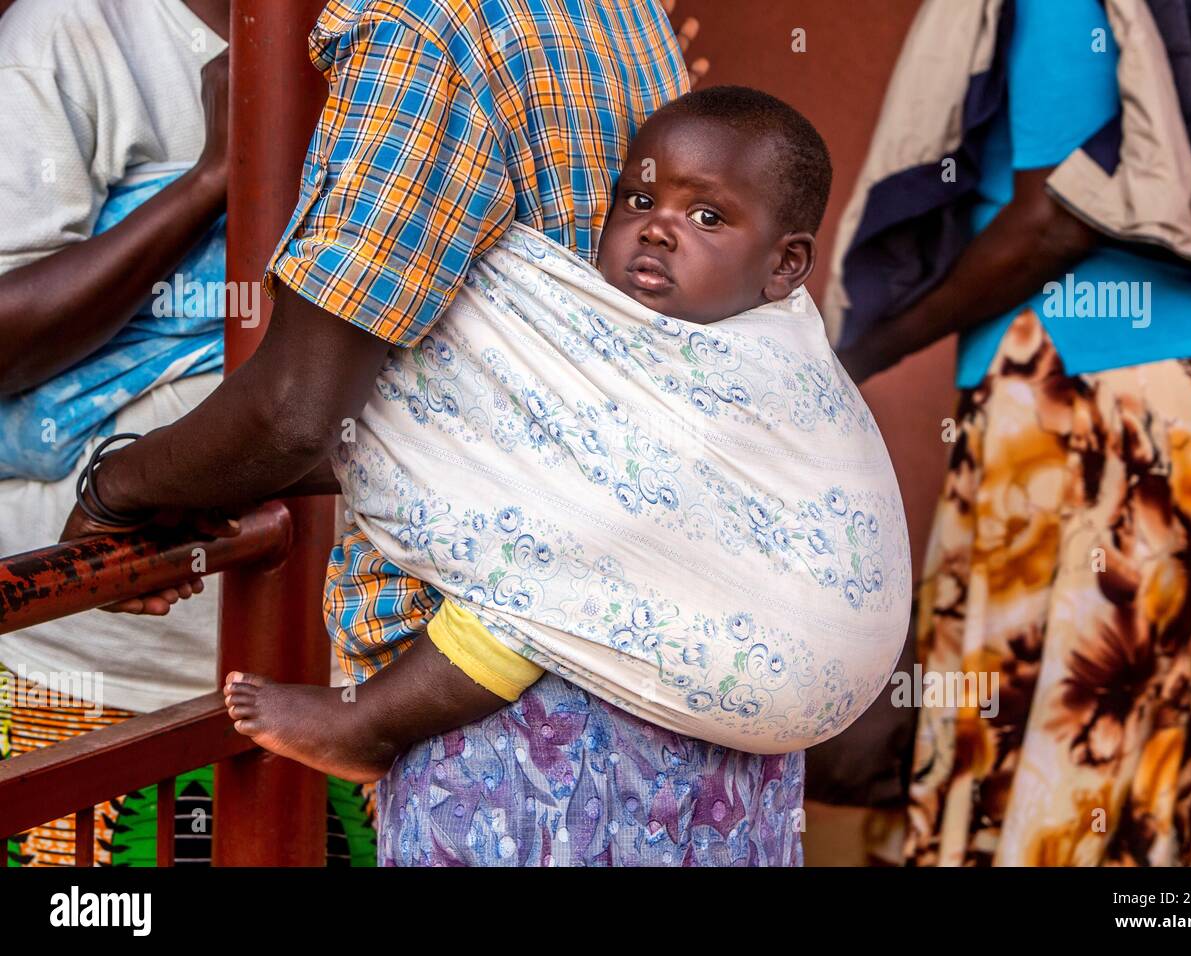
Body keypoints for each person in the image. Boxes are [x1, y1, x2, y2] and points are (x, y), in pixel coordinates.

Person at [59, 0, 808, 866]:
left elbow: (299, 412)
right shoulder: (618, 11)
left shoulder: (428, 26)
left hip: (533, 743)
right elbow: (480, 408)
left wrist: (119, 493)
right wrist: (202, 481)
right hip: (695, 694)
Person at [220, 87, 908, 783]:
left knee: (539, 560)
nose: (658, 229)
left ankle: (370, 726)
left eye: (706, 217)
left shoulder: (768, 361)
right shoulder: (622, 341)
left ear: (784, 267)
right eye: (639, 202)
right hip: (749, 704)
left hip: (776, 644)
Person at [834, 0, 1191, 865]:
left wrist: (859, 350)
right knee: (1141, 756)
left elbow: (1057, 216)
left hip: (1083, 394)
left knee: (1020, 747)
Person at [0, 0, 374, 866]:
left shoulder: (411, 36)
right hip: (101, 669)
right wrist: (217, 174)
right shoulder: (69, 29)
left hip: (355, 684)